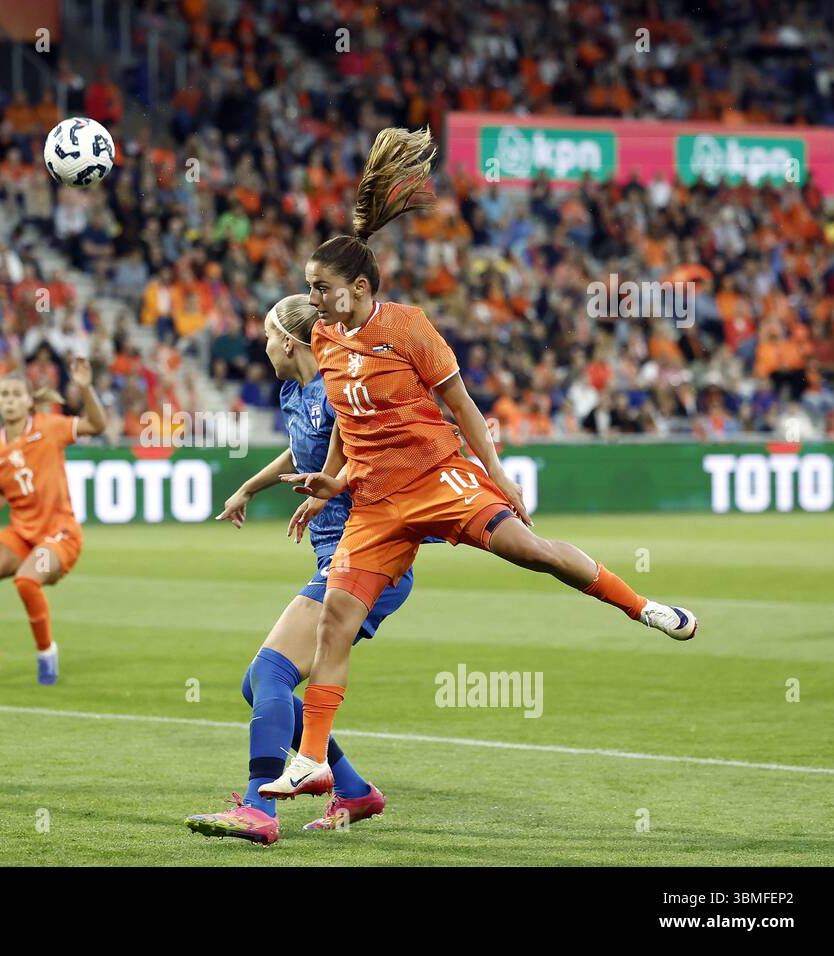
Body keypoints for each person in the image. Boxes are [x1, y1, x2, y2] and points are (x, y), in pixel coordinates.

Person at [262, 128, 698, 800]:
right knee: (334, 620)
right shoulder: (321, 338)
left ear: (355, 285)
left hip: (441, 478)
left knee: (534, 552)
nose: (311, 298)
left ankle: (642, 606)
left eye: (320, 287)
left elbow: (463, 408)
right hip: (376, 503)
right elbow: (349, 424)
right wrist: (334, 481)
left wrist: (497, 475)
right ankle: (313, 759)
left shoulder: (408, 327)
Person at [185, 295, 437, 845]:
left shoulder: (339, 388)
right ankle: (353, 790)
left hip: (369, 557)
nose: (264, 344)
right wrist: (249, 487)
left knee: (269, 673)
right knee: (260, 686)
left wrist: (332, 487)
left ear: (293, 343)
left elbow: (361, 452)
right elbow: (302, 452)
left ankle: (258, 808)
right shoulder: (294, 390)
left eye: (269, 335)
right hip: (340, 560)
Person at [0, 357, 106, 685]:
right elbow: (0, 489)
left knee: (26, 581)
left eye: (15, 394)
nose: (9, 400)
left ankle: (46, 652)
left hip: (59, 533)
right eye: (4, 395)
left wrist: (84, 387)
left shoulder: (49, 427)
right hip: (22, 532)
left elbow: (98, 425)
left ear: (28, 401)